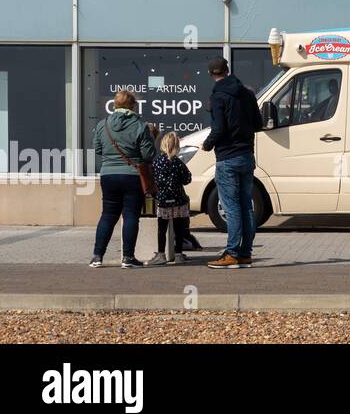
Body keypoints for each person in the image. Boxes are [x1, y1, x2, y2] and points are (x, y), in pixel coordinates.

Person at [203, 57, 263, 269]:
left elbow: (218, 128)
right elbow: (259, 123)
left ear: (212, 74)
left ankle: (231, 253)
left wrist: (208, 144)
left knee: (231, 207)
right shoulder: (247, 94)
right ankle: (245, 252)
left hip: (227, 158)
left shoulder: (218, 96)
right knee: (246, 205)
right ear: (228, 70)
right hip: (247, 156)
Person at [90, 90, 156, 268]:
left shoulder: (103, 124)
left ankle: (97, 256)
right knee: (131, 216)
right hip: (132, 176)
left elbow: (97, 149)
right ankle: (128, 257)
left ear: (114, 105)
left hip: (108, 175)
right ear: (133, 105)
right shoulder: (140, 126)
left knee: (108, 215)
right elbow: (148, 154)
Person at [148, 131, 193, 265]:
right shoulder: (178, 162)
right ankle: (178, 254)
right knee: (179, 229)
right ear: (176, 146)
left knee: (162, 229)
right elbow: (187, 179)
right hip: (179, 200)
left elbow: (152, 179)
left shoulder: (156, 162)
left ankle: (161, 254)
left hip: (163, 201)